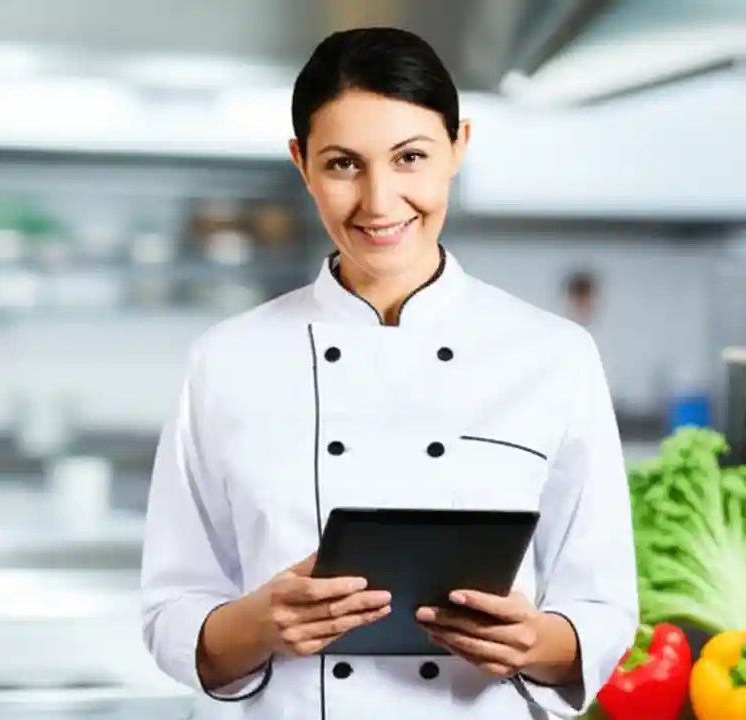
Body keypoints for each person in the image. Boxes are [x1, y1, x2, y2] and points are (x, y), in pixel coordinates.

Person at [140, 27, 638, 719]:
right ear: (301, 164)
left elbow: (603, 605)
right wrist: (260, 624)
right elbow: (172, 607)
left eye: (410, 158)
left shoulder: (554, 356)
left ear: (459, 146)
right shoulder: (226, 361)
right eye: (344, 164)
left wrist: (533, 642)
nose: (379, 202)